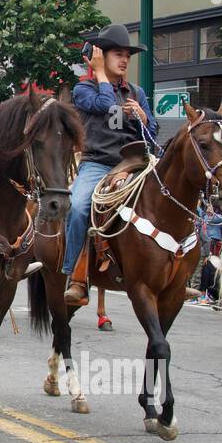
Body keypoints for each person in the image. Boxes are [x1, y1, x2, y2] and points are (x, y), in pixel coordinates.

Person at [62, 23, 158, 306]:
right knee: (78, 206)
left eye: (127, 55)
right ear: (100, 56)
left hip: (134, 163)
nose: (125, 60)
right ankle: (75, 276)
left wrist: (142, 116)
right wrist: (101, 72)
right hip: (98, 164)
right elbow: (104, 104)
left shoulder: (137, 93)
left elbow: (152, 134)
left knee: (170, 196)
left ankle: (172, 269)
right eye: (117, 54)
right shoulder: (83, 89)